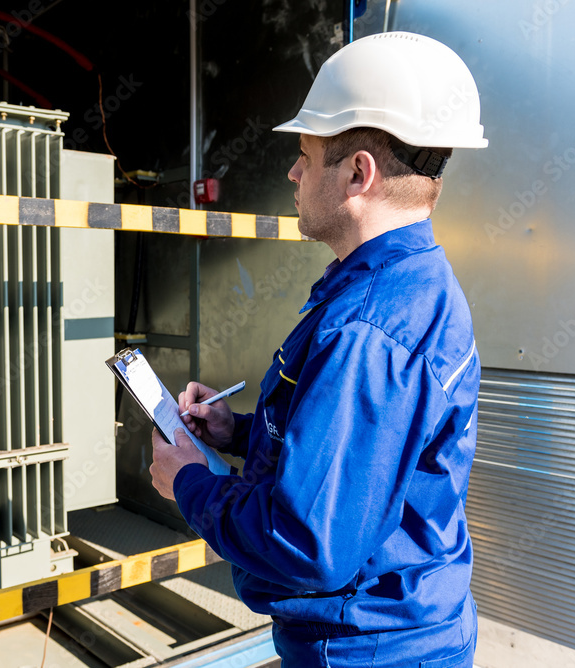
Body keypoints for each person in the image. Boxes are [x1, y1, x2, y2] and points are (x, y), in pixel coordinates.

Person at [149, 32, 488, 667]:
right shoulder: (414, 283)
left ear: (358, 173)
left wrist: (188, 481)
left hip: (364, 650)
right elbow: (356, 455)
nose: (293, 172)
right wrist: (236, 431)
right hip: (402, 633)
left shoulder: (370, 332)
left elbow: (305, 541)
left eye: (305, 155)